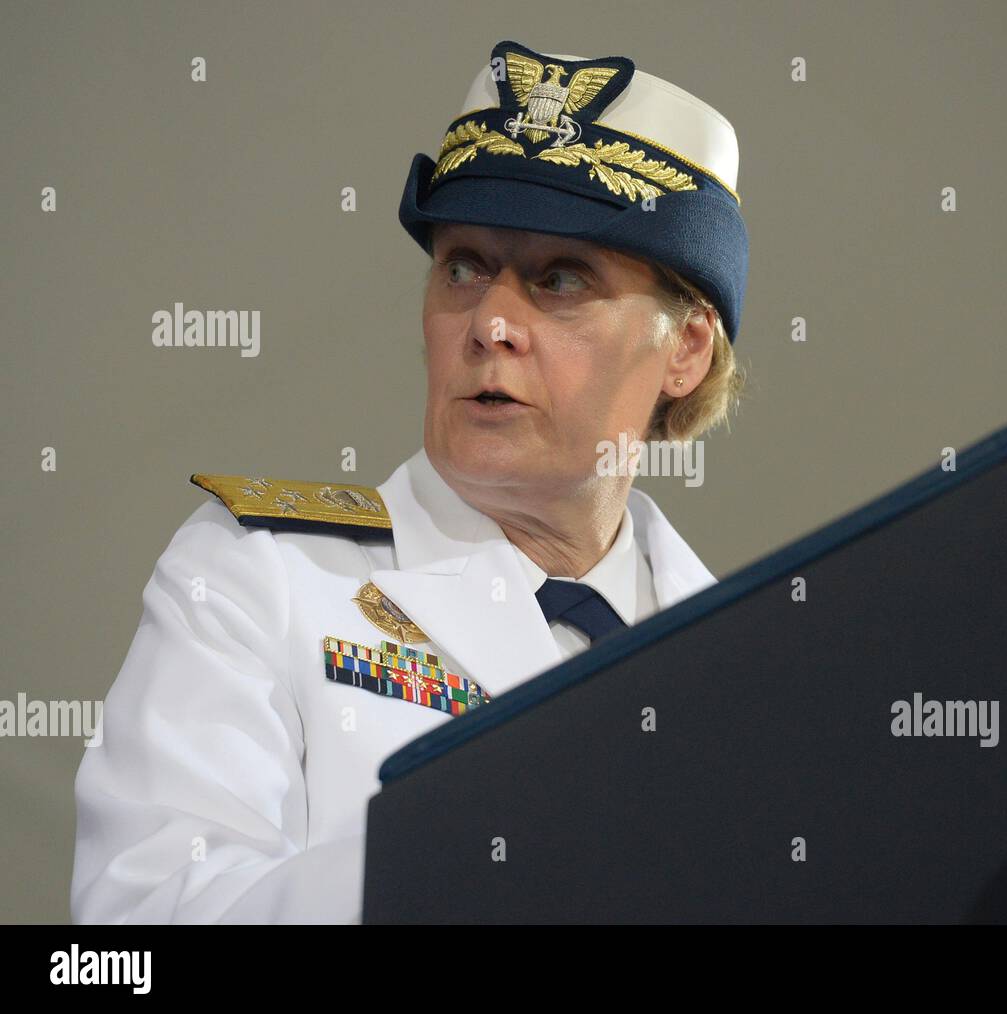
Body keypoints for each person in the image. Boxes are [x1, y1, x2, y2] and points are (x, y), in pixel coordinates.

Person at [70, 38, 749, 923]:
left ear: (686, 349)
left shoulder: (753, 659)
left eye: (559, 280)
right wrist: (475, 845)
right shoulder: (260, 575)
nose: (492, 322)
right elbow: (137, 929)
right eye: (463, 266)